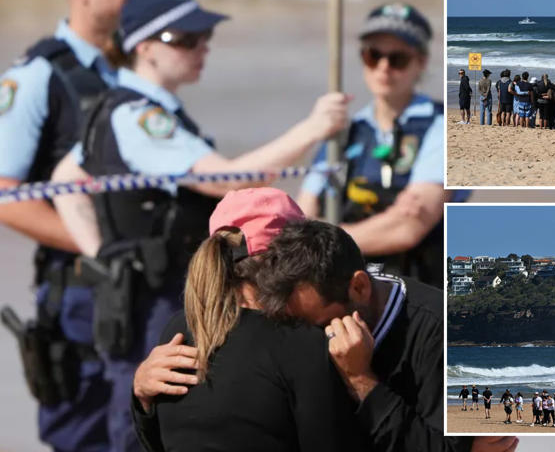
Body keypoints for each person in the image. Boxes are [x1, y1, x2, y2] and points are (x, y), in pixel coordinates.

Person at [51, 0, 349, 452]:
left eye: (204, 37)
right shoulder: (139, 117)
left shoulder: (112, 110)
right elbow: (231, 181)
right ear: (144, 47)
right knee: (156, 416)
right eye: (185, 39)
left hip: (136, 291)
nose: (201, 47)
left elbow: (67, 179)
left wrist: (105, 256)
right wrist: (314, 128)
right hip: (153, 297)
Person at [130, 191, 517, 452]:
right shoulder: (275, 338)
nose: (312, 333)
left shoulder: (438, 328)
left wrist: (363, 382)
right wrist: (143, 397)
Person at [0, 0, 158, 450]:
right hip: (81, 293)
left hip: (142, 286)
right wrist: (98, 248)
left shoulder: (134, 71)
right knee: (87, 435)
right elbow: (5, 193)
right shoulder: (38, 76)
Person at [145, 188, 366, 451]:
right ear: (290, 260)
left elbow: (157, 441)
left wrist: (141, 401)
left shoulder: (179, 329)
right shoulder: (300, 344)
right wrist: (362, 379)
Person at [297, 3, 469, 289]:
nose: (384, 67)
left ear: (421, 62)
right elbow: (303, 213)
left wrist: (325, 241)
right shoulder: (342, 133)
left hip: (418, 290)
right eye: (373, 55)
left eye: (398, 58)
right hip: (347, 287)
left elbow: (408, 227)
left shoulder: (445, 129)